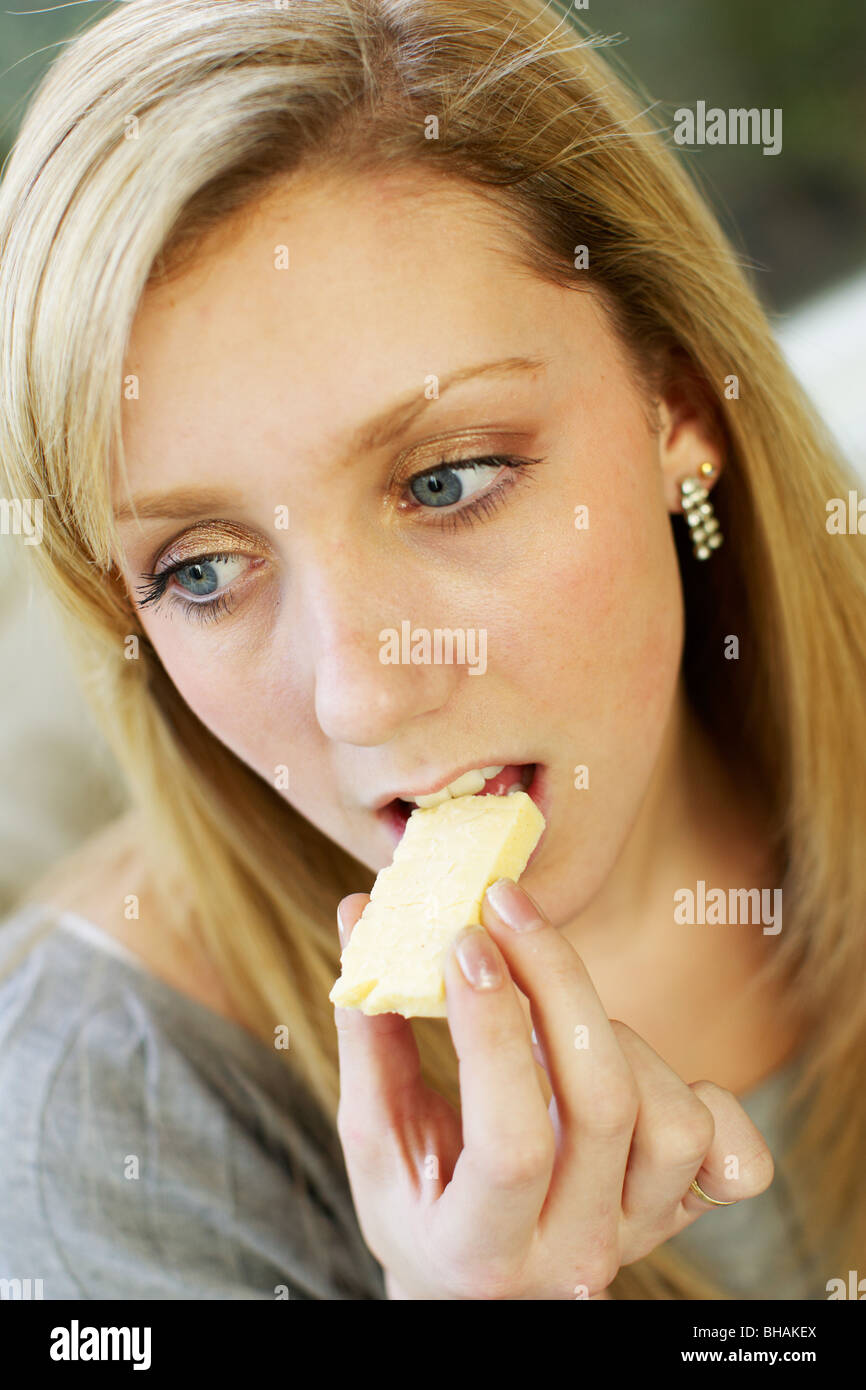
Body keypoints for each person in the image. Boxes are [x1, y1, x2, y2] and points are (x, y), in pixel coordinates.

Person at [0, 0, 863, 1301]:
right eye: (202, 569)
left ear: (678, 401)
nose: (359, 688)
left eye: (450, 480)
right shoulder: (88, 1138)